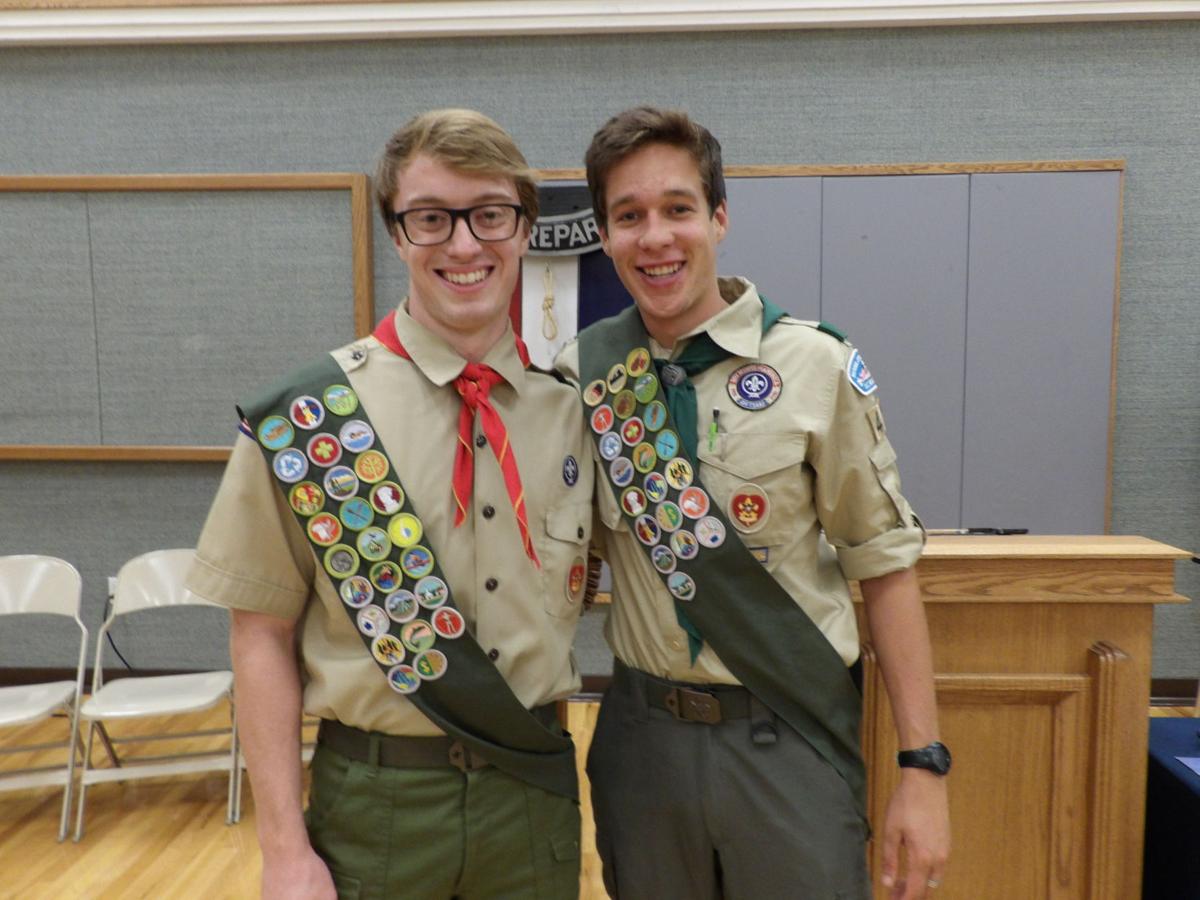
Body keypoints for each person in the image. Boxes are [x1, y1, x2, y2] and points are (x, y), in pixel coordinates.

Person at [187, 109, 592, 900]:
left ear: (524, 229)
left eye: (490, 215)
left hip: (532, 797)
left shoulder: (574, 413)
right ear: (397, 234)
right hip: (376, 803)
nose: (465, 245)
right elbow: (259, 637)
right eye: (433, 219)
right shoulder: (312, 421)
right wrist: (282, 850)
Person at [558, 107, 950, 900]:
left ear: (720, 218)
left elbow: (885, 568)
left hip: (788, 733)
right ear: (604, 235)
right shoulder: (581, 374)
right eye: (628, 216)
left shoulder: (814, 364)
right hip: (642, 741)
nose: (655, 237)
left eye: (678, 209)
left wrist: (923, 767)